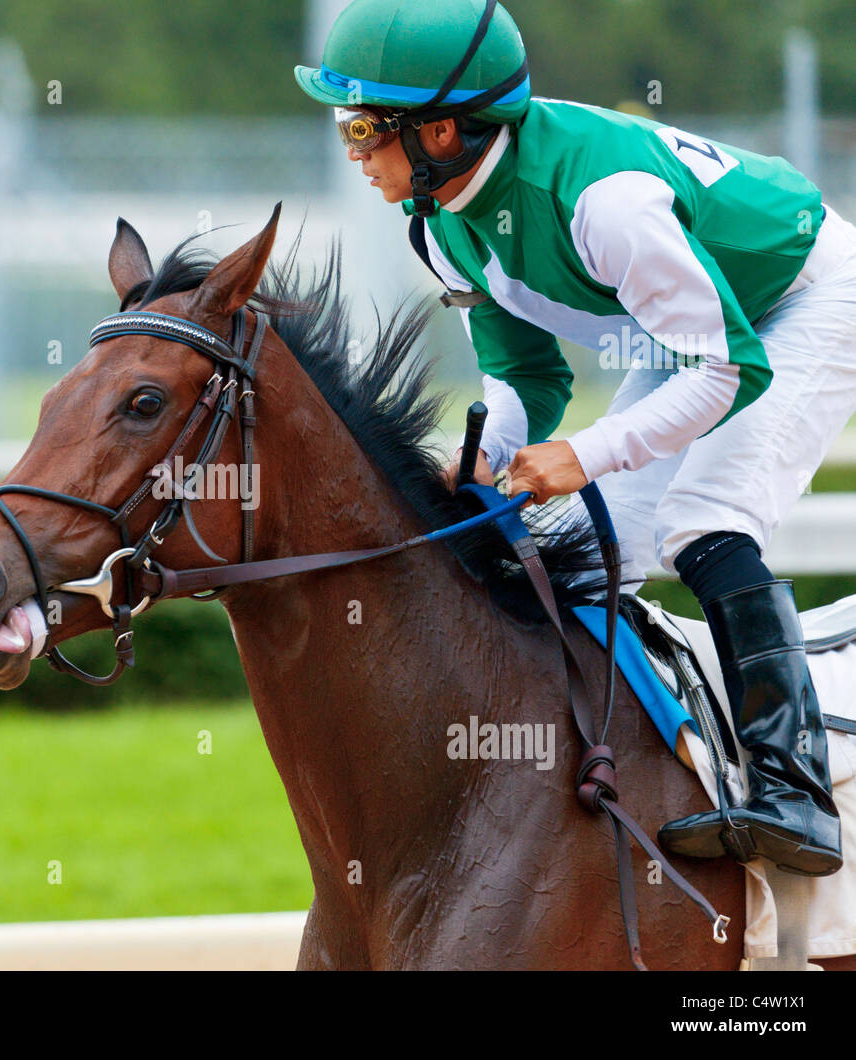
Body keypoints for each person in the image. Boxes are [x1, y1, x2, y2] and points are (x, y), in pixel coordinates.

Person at [295, 0, 856, 877]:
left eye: (364, 128)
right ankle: (609, 774)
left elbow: (728, 370)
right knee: (579, 540)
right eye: (345, 128)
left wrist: (586, 454)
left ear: (442, 131)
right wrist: (493, 448)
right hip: (705, 329)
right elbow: (529, 375)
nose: (354, 154)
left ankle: (795, 793)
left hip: (805, 299)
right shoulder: (439, 218)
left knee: (704, 521)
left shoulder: (606, 203)